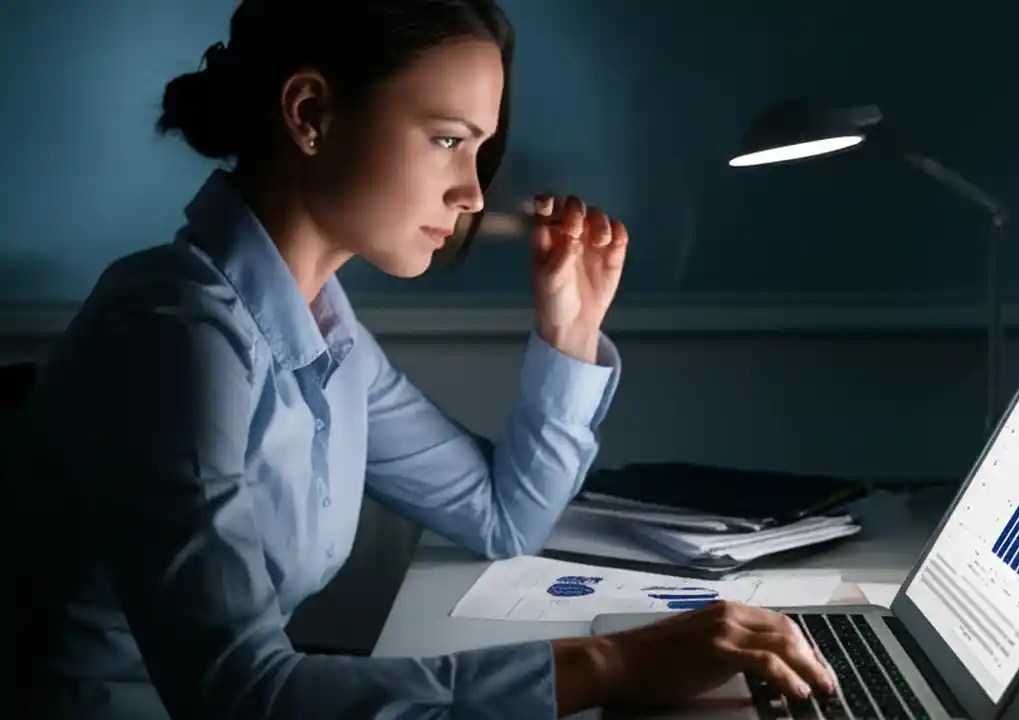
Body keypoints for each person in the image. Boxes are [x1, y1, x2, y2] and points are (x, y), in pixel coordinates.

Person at [7, 0, 836, 717]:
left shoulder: (323, 329)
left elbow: (501, 518)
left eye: (478, 149)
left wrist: (570, 331)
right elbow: (240, 696)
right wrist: (607, 665)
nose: (474, 193)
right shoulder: (174, 332)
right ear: (309, 114)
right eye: (447, 139)